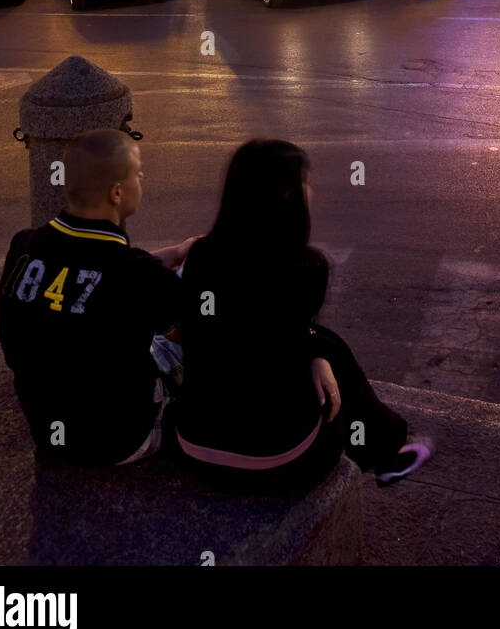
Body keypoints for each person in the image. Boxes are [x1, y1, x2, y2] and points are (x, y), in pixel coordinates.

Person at [176, 141, 432, 490]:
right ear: (285, 194)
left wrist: (311, 350)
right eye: (304, 181)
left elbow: (241, 336)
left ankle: (387, 448)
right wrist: (314, 354)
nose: (311, 189)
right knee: (329, 360)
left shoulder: (202, 255)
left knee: (323, 345)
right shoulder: (305, 267)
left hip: (194, 443)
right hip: (279, 461)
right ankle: (384, 452)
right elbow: (276, 341)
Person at [0, 128, 196, 466]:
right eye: (137, 172)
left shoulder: (24, 245)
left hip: (49, 434)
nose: (142, 177)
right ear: (117, 192)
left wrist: (172, 254)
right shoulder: (135, 274)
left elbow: (93, 274)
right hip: (118, 439)